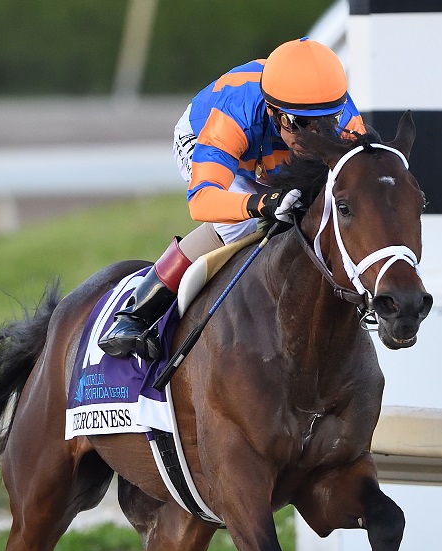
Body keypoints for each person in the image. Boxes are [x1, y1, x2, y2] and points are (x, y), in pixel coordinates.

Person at [97, 37, 366, 359]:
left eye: (325, 124)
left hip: (268, 151)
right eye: (298, 124)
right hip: (207, 138)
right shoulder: (235, 113)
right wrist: (260, 204)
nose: (312, 136)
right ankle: (138, 311)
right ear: (272, 111)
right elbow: (203, 201)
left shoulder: (348, 124)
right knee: (238, 225)